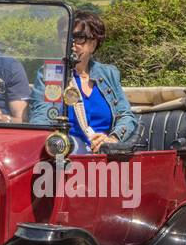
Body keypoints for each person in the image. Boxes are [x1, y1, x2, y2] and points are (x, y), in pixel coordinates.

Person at [29, 11, 137, 152]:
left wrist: (112, 140)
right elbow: (42, 118)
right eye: (65, 36)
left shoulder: (109, 74)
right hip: (66, 154)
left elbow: (126, 116)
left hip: (106, 157)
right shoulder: (51, 73)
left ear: (93, 43)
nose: (71, 44)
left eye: (79, 37)